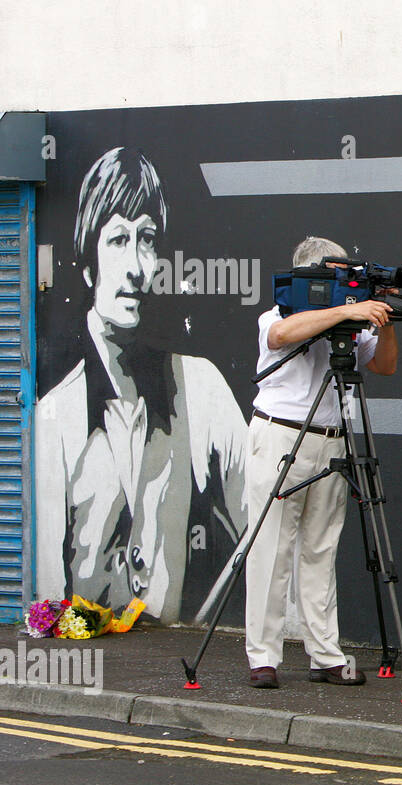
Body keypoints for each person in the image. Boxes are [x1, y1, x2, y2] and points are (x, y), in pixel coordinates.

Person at [35, 147, 246, 624]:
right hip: (93, 654)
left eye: (146, 240)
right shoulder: (54, 417)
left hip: (168, 655)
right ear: (88, 261)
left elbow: (268, 526)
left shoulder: (200, 387)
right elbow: (45, 595)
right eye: (117, 240)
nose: (136, 264)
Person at [244, 236, 398, 689]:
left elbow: (385, 366)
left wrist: (383, 320)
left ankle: (325, 655)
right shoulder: (278, 313)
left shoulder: (351, 320)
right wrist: (345, 311)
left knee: (321, 549)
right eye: (334, 273)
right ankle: (263, 656)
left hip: (330, 439)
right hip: (279, 435)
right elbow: (282, 336)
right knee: (270, 549)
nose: (343, 282)